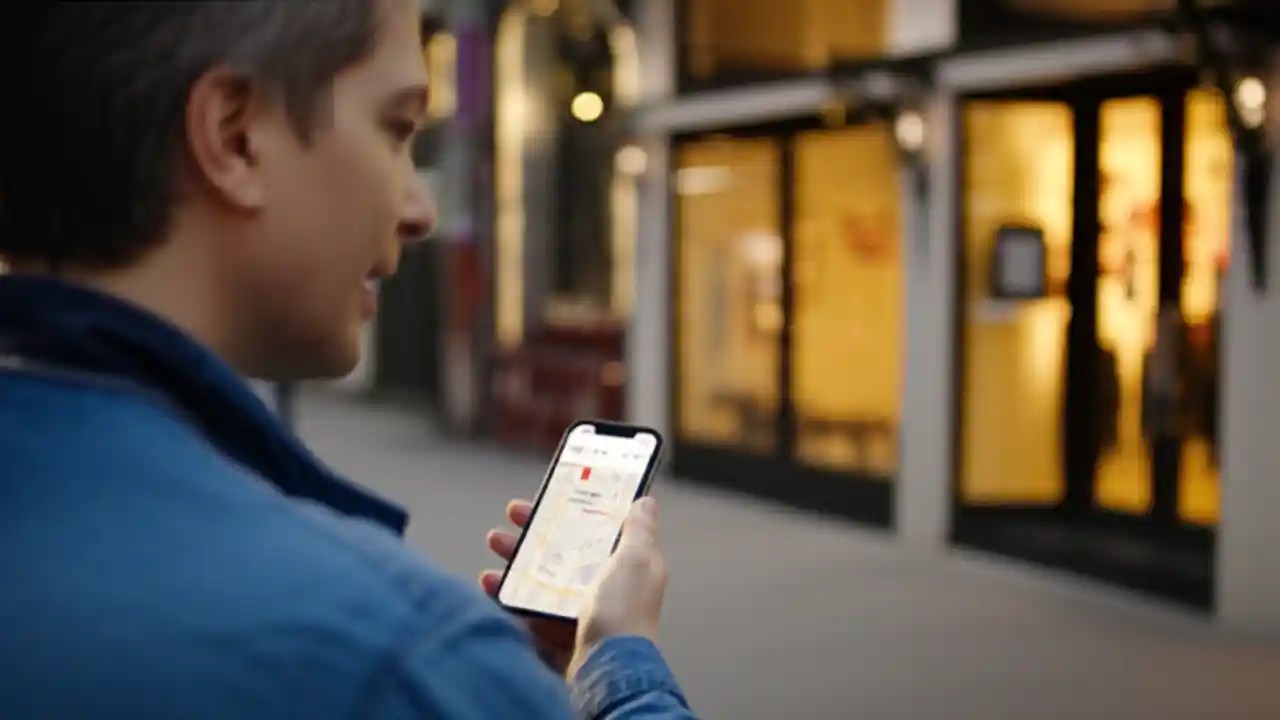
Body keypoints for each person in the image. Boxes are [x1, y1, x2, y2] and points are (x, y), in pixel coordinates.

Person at [0, 3, 695, 719]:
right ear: (235, 137)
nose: (422, 209)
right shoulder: (399, 659)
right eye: (396, 130)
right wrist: (617, 665)